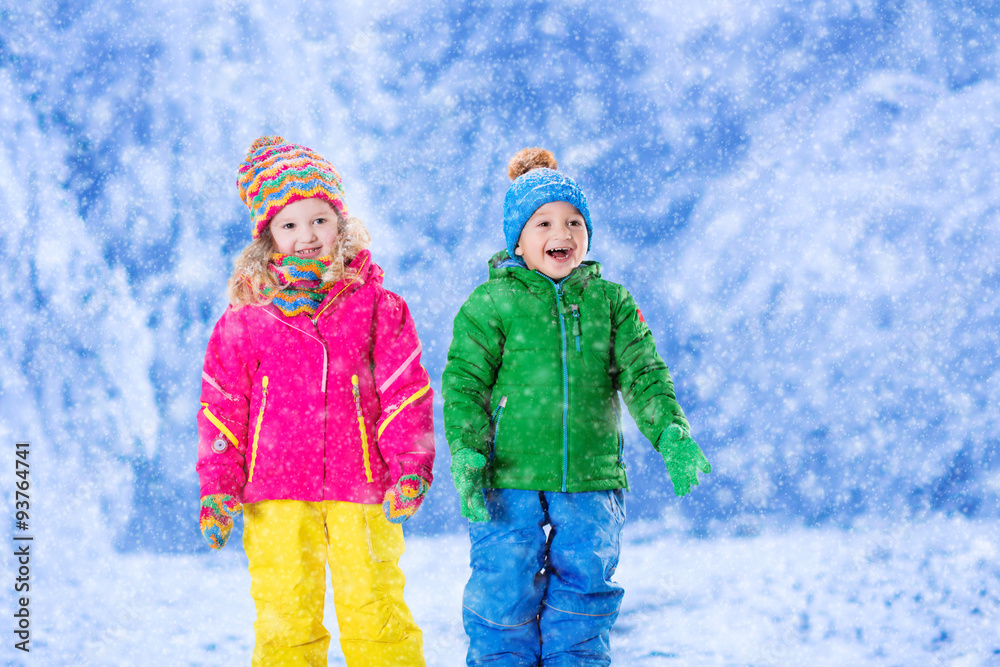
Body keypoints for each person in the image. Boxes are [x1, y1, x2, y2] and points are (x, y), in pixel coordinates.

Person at [442, 147, 712, 666]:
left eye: (573, 221)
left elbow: (645, 375)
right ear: (517, 241)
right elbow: (465, 385)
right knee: (503, 593)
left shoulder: (611, 303)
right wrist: (468, 452)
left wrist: (670, 433)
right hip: (508, 478)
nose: (560, 233)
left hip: (591, 479)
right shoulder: (490, 304)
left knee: (585, 596)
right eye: (542, 222)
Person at [196, 135, 434, 666]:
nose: (307, 236)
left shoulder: (377, 305)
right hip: (275, 491)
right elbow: (221, 407)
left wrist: (411, 467)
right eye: (290, 224)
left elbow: (406, 392)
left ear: (340, 222)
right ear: (268, 237)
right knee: (285, 620)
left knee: (377, 615)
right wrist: (218, 488)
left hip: (364, 487)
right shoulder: (247, 318)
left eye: (319, 220)